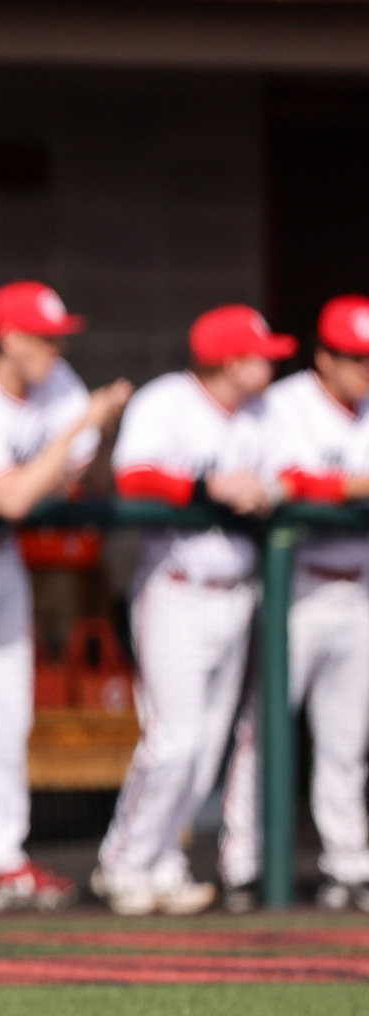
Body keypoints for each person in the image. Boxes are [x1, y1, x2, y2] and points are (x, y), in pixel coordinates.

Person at [0, 282, 131, 913]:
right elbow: (9, 497)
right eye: (45, 336)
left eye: (61, 336)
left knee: (12, 713)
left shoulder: (58, 385)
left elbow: (87, 480)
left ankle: (0, 856)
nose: (56, 349)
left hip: (5, 557)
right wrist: (79, 429)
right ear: (8, 337)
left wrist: (102, 432)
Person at [92, 306, 289, 915]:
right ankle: (122, 863)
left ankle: (161, 862)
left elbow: (291, 476)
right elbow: (132, 476)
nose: (271, 362)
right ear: (229, 361)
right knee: (173, 741)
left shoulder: (263, 412)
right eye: (259, 353)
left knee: (205, 749)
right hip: (176, 586)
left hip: (237, 590)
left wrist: (269, 491)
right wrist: (206, 489)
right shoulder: (168, 400)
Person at [218, 296, 369, 910]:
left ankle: (348, 863)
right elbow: (286, 482)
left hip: (358, 585)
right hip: (295, 585)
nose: (365, 369)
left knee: (347, 739)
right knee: (265, 730)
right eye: (356, 358)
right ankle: (242, 864)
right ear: (324, 356)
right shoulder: (284, 406)